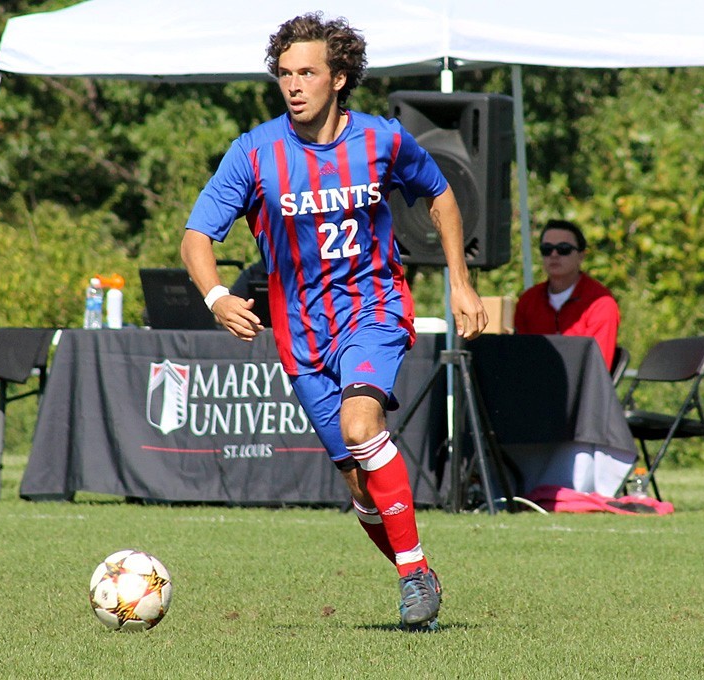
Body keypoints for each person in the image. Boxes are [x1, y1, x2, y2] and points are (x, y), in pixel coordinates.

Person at [180, 12, 488, 632]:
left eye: (308, 73)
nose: (294, 85)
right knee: (359, 484)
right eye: (285, 74)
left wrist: (459, 280)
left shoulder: (384, 140)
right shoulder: (254, 152)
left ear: (340, 77)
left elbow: (442, 195)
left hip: (373, 311)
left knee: (360, 424)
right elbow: (195, 236)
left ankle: (411, 576)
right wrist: (215, 296)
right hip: (301, 337)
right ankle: (417, 571)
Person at [514, 219, 620, 370]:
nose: (554, 254)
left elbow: (598, 367)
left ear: (581, 256)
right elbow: (519, 356)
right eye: (547, 249)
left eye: (564, 249)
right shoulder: (528, 300)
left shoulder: (601, 303)